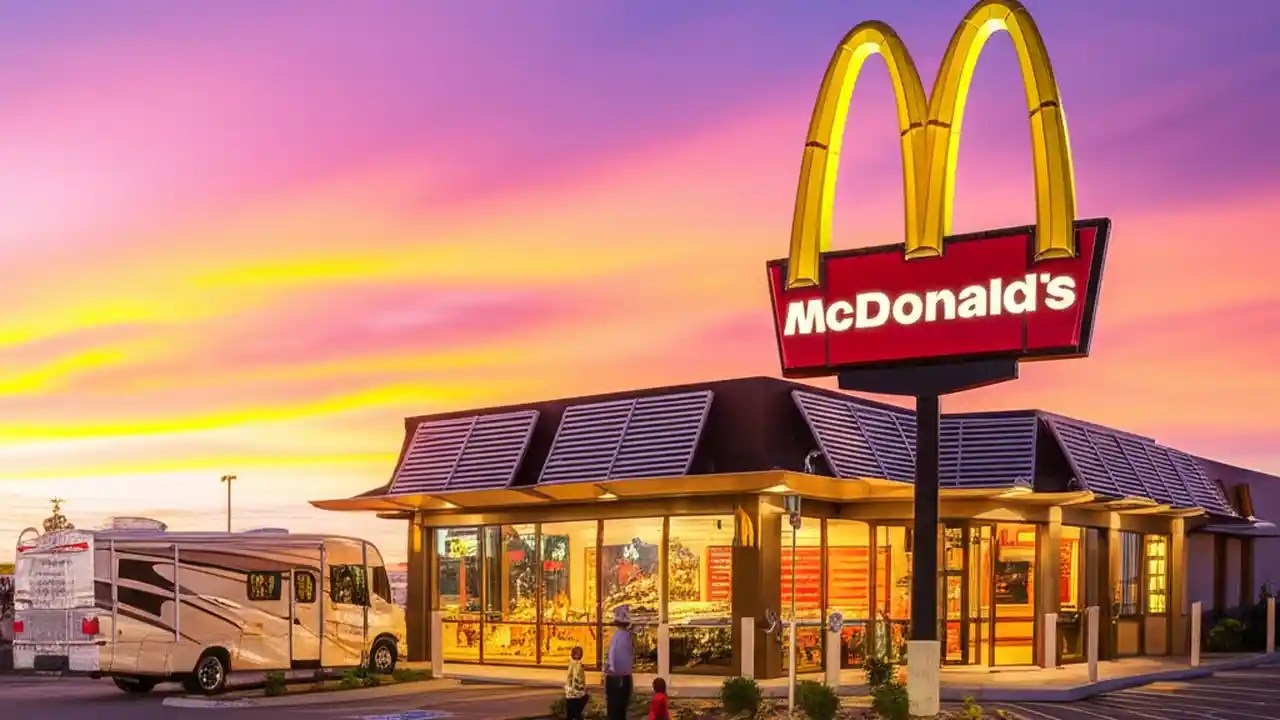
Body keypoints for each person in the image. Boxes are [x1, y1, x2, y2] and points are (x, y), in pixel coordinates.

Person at [603, 605, 634, 720]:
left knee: (615, 712)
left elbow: (613, 658)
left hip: (617, 680)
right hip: (625, 679)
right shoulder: (627, 636)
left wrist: (609, 669)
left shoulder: (618, 637)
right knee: (621, 712)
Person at [564, 645, 588, 720]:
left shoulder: (573, 663)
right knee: (576, 711)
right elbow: (576, 677)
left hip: (571, 691)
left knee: (571, 712)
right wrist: (580, 687)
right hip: (575, 691)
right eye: (579, 654)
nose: (581, 655)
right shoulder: (576, 664)